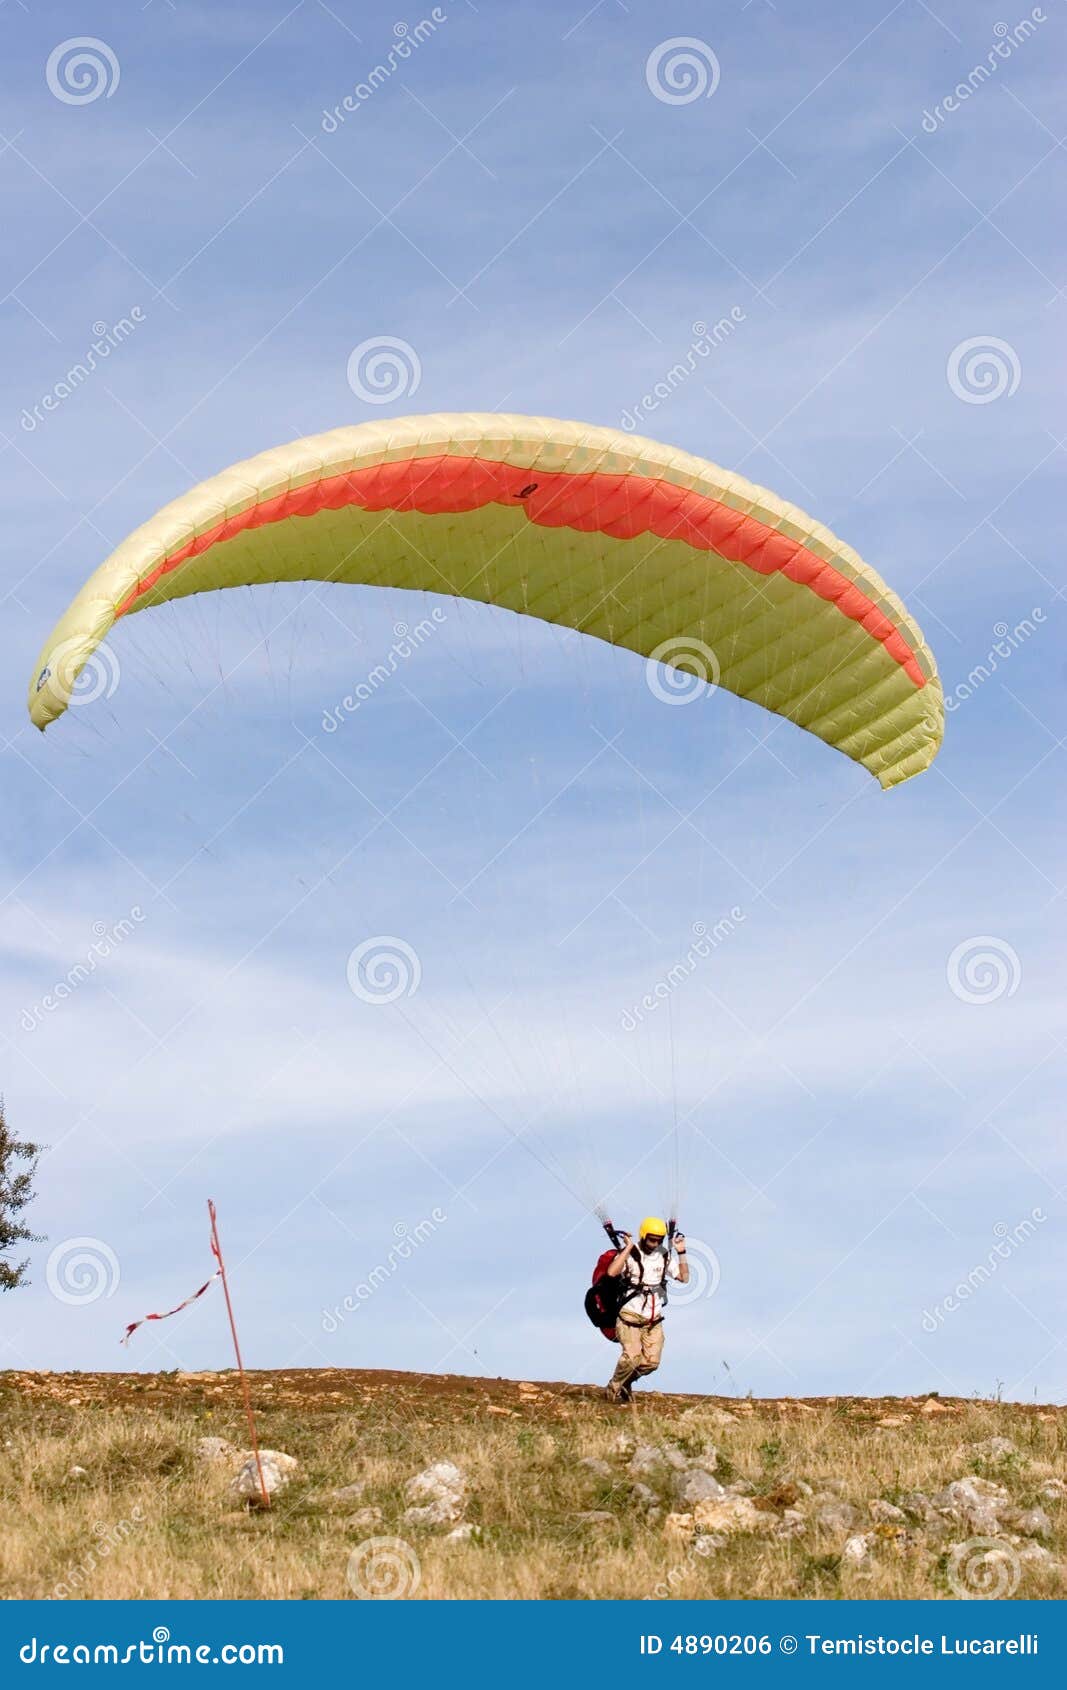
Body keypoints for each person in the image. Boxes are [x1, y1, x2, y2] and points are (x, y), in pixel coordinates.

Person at [604, 1216, 688, 1403]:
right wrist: (626, 1248)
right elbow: (611, 1273)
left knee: (651, 1363)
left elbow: (684, 1277)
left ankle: (626, 1382)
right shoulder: (632, 1255)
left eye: (659, 1240)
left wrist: (681, 1252)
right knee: (632, 1357)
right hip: (629, 1317)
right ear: (643, 1236)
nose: (655, 1243)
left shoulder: (664, 1255)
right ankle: (613, 1388)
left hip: (653, 1320)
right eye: (652, 1239)